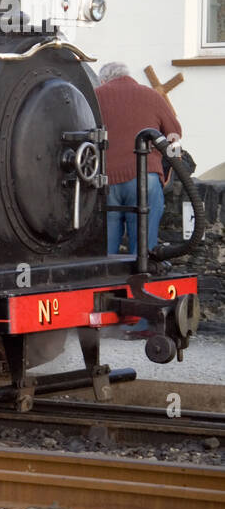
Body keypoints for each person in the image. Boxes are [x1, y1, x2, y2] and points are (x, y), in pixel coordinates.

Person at [95, 61, 182, 337]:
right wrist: (170, 163)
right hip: (146, 179)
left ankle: (105, 319)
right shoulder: (150, 95)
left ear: (104, 80)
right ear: (127, 76)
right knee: (143, 250)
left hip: (105, 182)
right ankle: (145, 321)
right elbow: (174, 132)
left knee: (105, 253)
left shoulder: (95, 97)